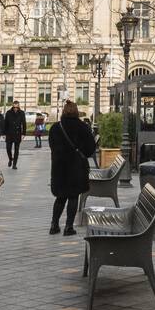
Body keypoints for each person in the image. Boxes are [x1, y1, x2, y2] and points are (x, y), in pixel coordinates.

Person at [49, 100, 96, 235]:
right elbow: (90, 148)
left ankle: (54, 225)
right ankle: (69, 227)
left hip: (59, 168)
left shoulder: (55, 128)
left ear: (63, 111)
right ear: (76, 111)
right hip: (76, 167)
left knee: (60, 197)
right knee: (73, 196)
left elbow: (52, 147)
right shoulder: (83, 127)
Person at [4, 100, 25, 169]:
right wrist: (4, 133)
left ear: (18, 106)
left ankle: (14, 164)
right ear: (13, 106)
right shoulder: (8, 113)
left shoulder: (21, 113)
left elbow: (24, 123)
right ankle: (10, 158)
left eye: (17, 107)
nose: (15, 108)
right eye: (14, 107)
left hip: (17, 133)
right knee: (8, 148)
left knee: (16, 150)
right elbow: (5, 123)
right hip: (9, 133)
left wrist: (23, 134)